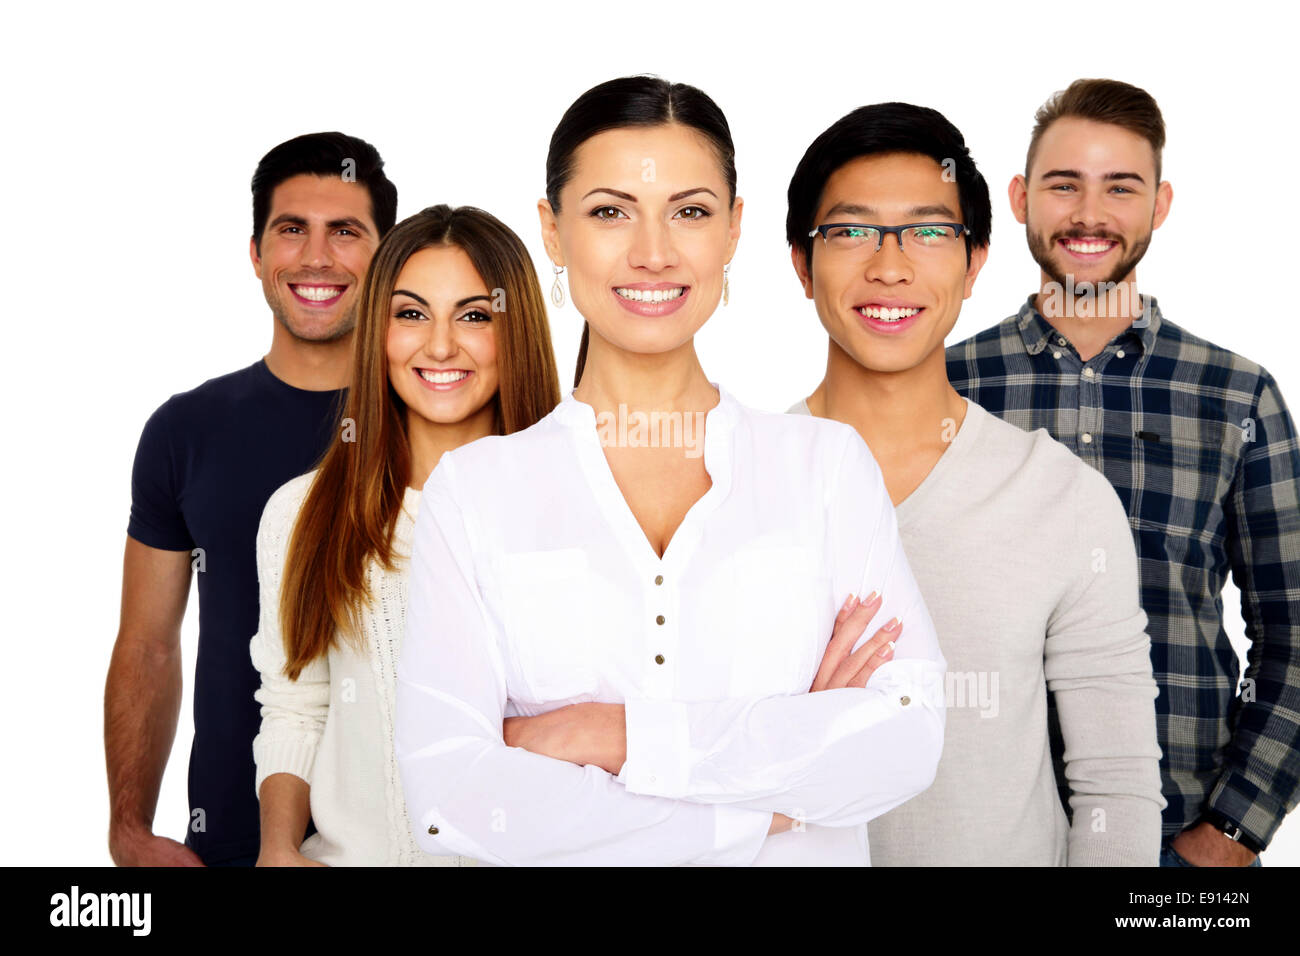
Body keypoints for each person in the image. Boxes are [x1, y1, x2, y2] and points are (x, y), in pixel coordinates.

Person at [395, 75, 946, 867]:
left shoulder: (824, 468)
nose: (653, 253)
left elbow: (904, 737)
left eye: (689, 212)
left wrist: (609, 736)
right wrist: (775, 788)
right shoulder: (476, 492)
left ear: (733, 230)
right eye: (610, 212)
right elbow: (453, 801)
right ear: (551, 232)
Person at [785, 102, 1165, 865]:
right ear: (802, 263)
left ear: (976, 261)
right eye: (851, 230)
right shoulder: (728, 486)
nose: (889, 266)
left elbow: (1116, 787)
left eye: (929, 232)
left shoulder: (1063, 497)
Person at [947, 78, 1300, 866]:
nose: (1088, 214)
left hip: (1178, 839)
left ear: (1160, 205)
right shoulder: (945, 387)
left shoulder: (1236, 395)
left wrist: (1233, 833)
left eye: (1121, 187)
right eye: (1063, 184)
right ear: (1019, 197)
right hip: (973, 832)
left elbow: (1295, 627)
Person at [105, 132, 397, 866]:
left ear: (388, 256)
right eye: (291, 229)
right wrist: (129, 829)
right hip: (230, 844)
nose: (316, 257)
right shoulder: (187, 430)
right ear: (256, 254)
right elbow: (147, 642)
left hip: (406, 839)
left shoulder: (439, 421)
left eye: (346, 232)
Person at [251, 204, 561, 866]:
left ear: (518, 332)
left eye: (475, 315)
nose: (440, 345)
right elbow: (295, 704)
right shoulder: (301, 513)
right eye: (411, 313)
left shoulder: (579, 509)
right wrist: (277, 850)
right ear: (378, 332)